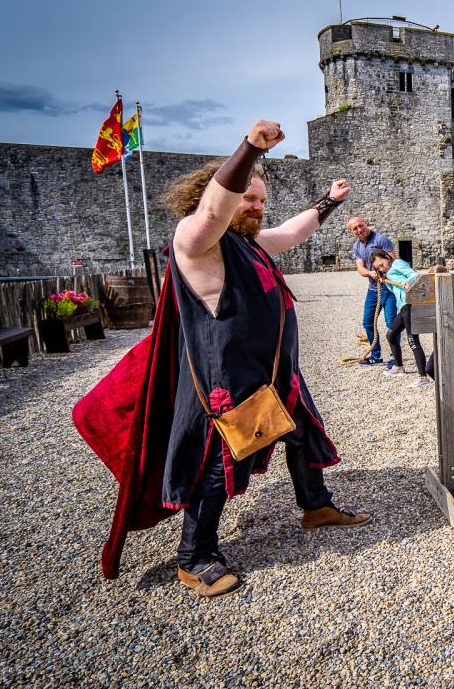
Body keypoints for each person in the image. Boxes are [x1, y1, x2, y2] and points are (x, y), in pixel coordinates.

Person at [78, 120, 372, 598]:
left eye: (260, 201)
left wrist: (329, 201)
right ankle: (194, 556)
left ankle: (316, 506)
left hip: (274, 372)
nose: (256, 207)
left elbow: (293, 232)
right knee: (217, 462)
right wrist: (250, 149)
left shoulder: (247, 242)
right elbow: (215, 209)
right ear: (222, 195)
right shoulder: (197, 239)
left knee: (300, 434)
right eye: (247, 198)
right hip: (231, 382)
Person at [368, 249, 430, 387]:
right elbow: (394, 288)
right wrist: (386, 280)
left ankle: (423, 378)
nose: (381, 268)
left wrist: (407, 282)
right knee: (391, 335)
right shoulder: (388, 272)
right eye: (378, 268)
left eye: (382, 264)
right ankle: (399, 367)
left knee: (412, 340)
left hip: (410, 304)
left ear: (387, 257)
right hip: (403, 307)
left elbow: (415, 275)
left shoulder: (397, 264)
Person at [421, 265, 454, 416]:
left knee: (451, 371)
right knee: (429, 369)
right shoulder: (430, 296)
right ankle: (448, 393)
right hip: (443, 339)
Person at [348, 216, 396, 367]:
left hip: (388, 289)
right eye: (354, 228)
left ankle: (395, 357)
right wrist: (369, 273)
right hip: (372, 290)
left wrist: (382, 273)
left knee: (391, 323)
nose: (359, 230)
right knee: (368, 322)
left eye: (360, 226)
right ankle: (376, 356)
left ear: (366, 224)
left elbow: (392, 261)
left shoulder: (381, 240)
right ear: (351, 231)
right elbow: (360, 268)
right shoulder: (357, 246)